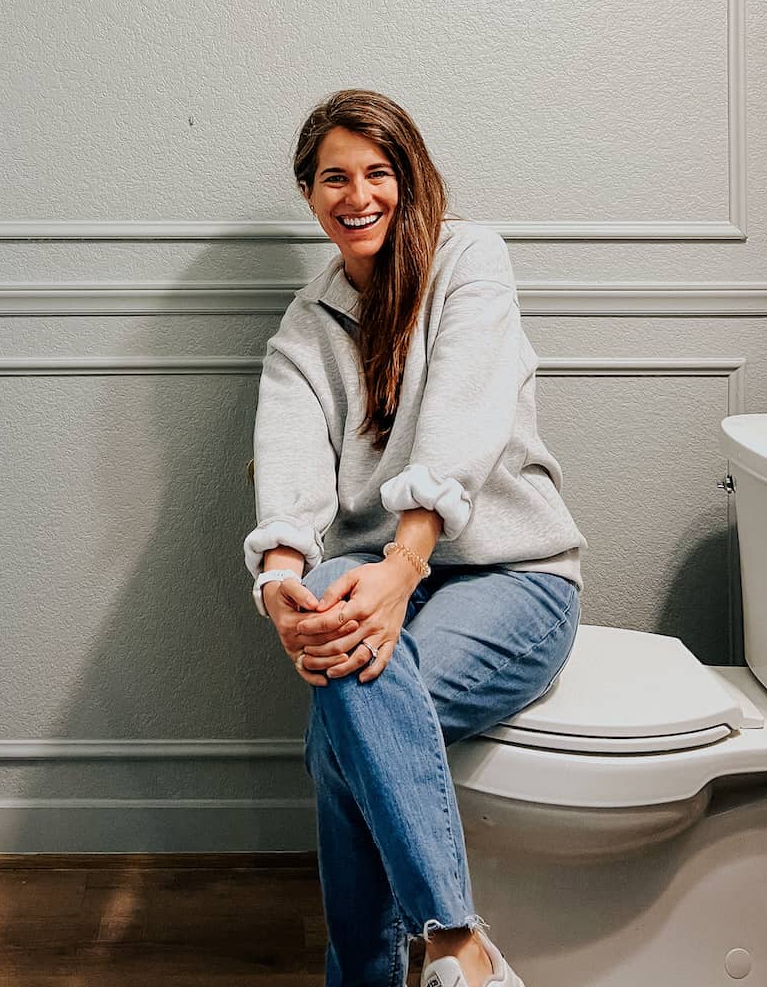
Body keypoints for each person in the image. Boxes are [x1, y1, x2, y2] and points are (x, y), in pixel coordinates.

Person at [245, 90, 584, 987]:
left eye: (377, 174)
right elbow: (289, 473)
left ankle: (427, 948)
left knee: (344, 718)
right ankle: (452, 951)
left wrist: (404, 562)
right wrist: (283, 585)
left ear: (410, 178)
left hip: (516, 575)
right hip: (374, 569)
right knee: (351, 670)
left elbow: (461, 424)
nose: (357, 196)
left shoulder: (470, 260)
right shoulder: (303, 332)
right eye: (333, 179)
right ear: (309, 196)